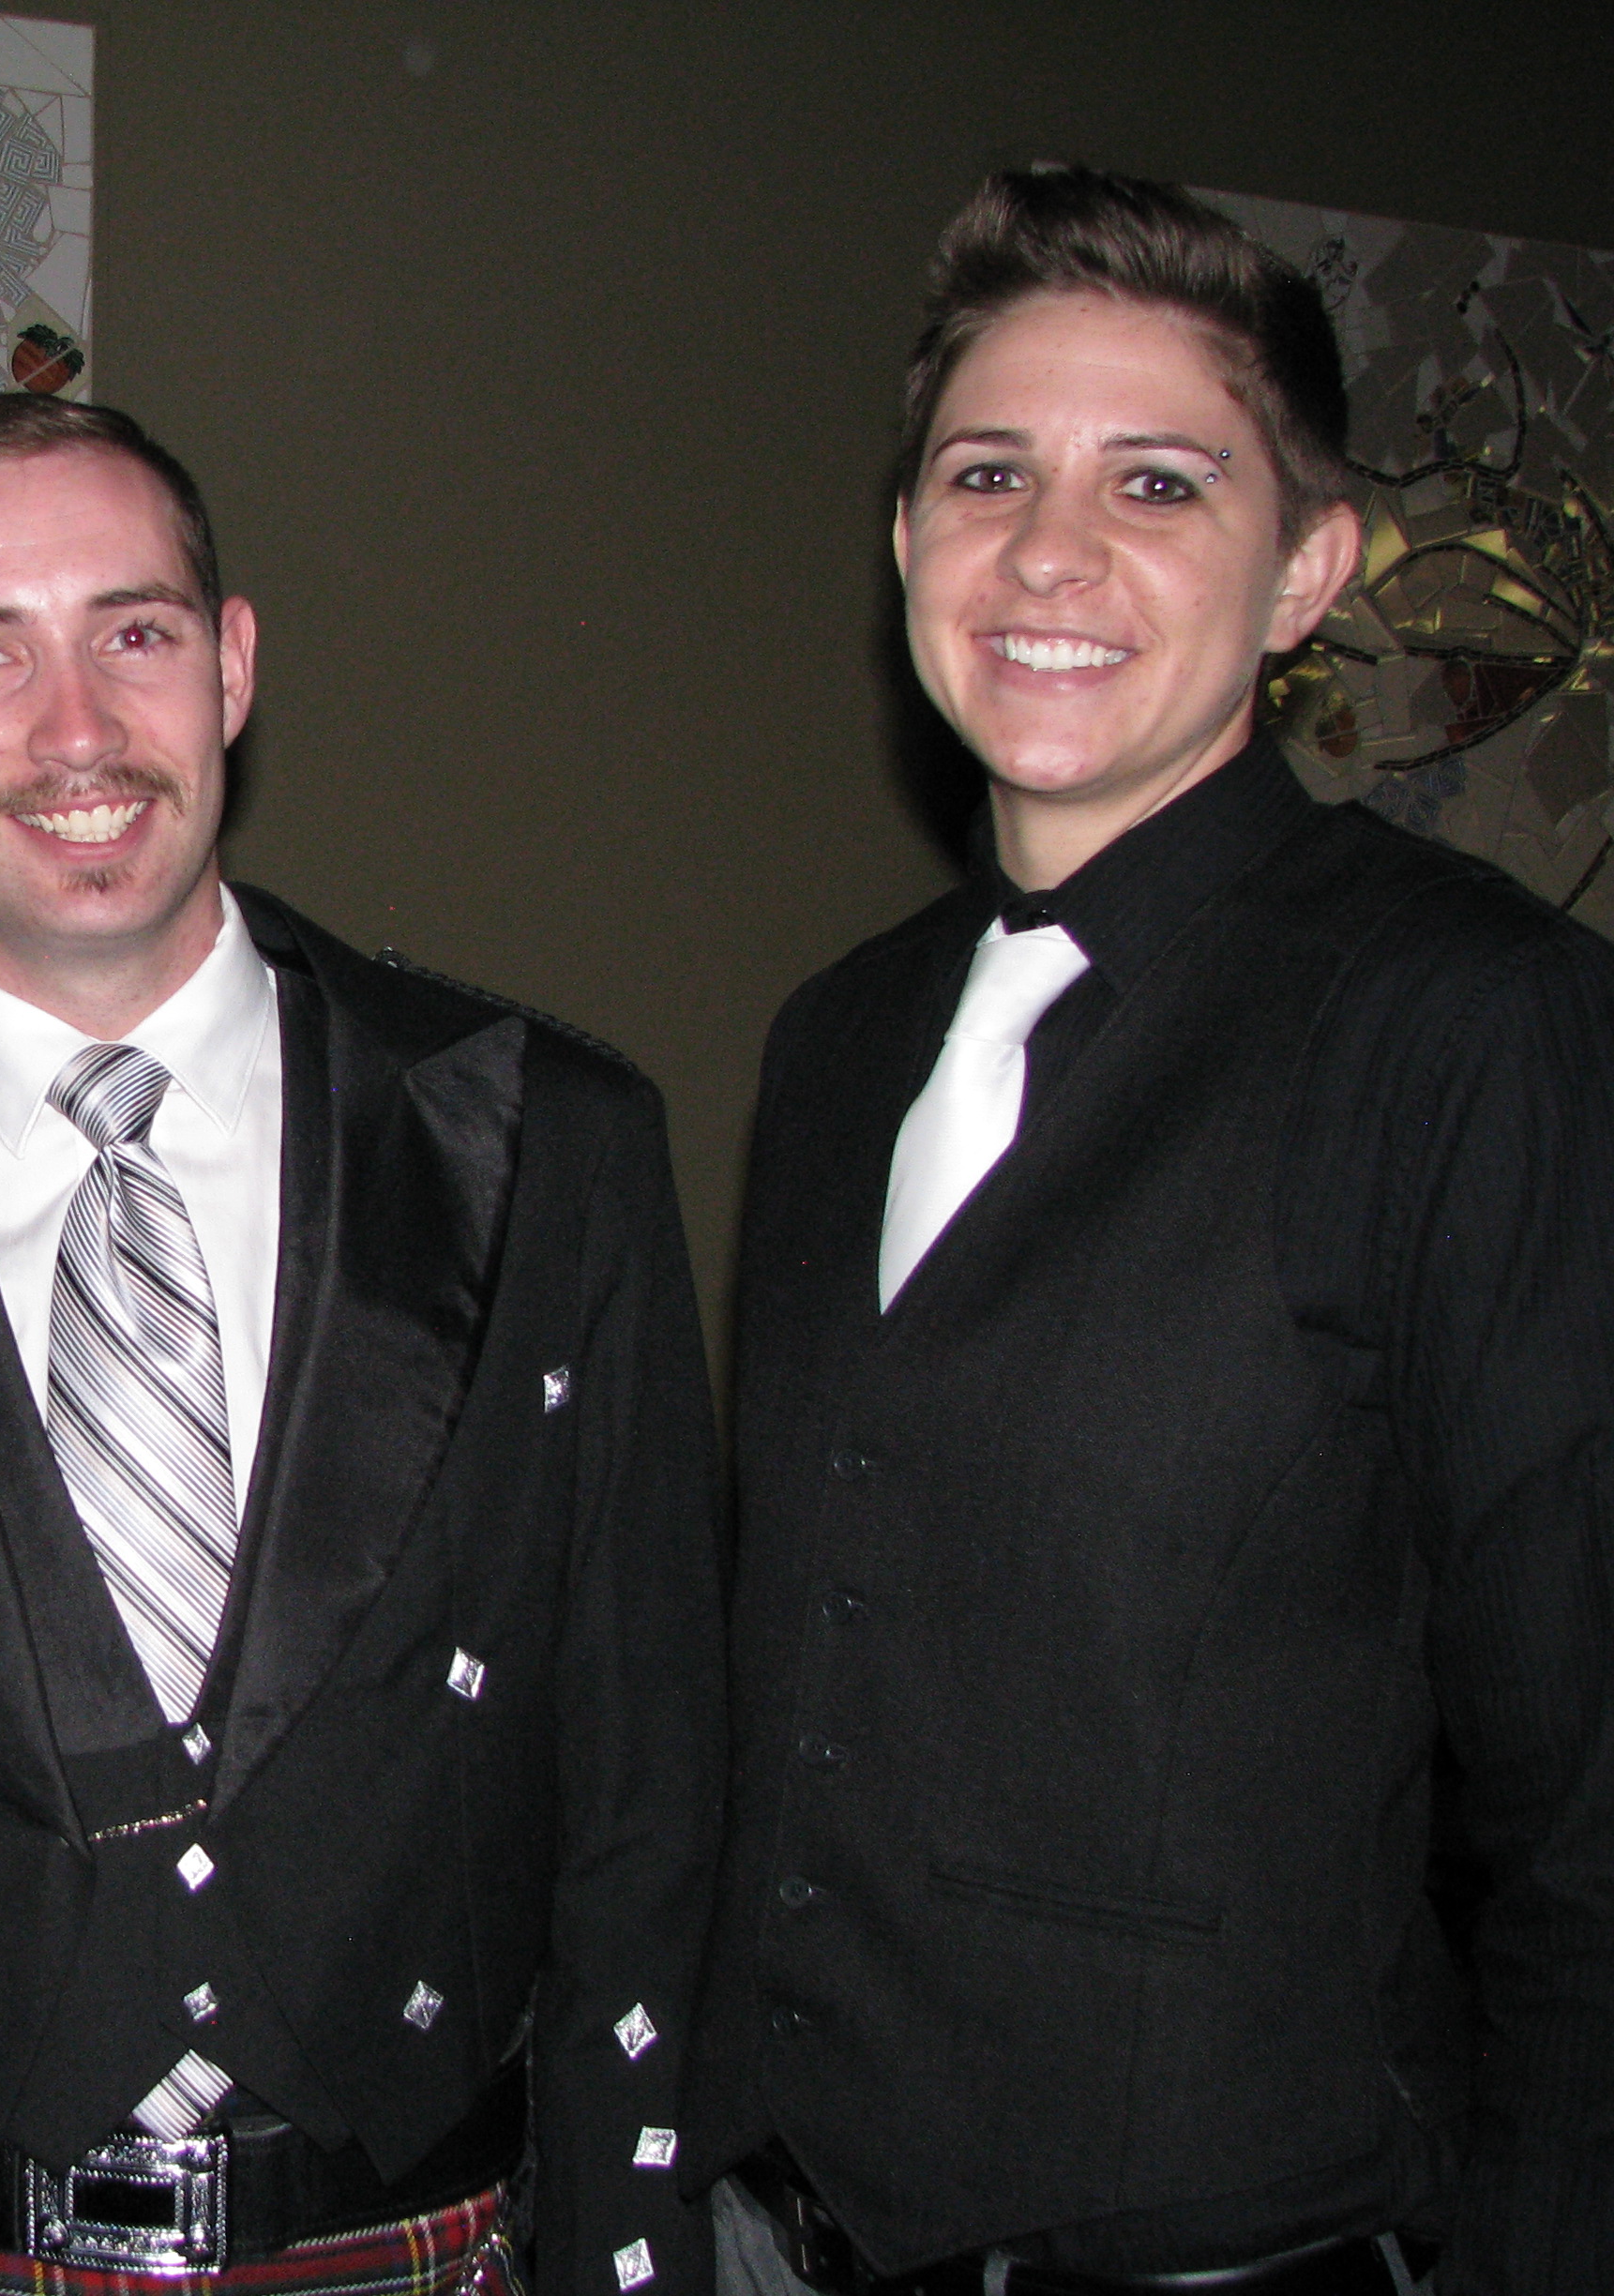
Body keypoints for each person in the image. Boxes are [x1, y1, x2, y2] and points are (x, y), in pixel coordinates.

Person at [0, 394, 728, 2296]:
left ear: (232, 667)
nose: (75, 728)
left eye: (135, 632)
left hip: (408, 2237)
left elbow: (648, 1798)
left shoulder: (551, 1140)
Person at [693, 167, 1614, 2294]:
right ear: (907, 541)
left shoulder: (1472, 1025)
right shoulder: (838, 1040)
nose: (1050, 549)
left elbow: (1590, 1822)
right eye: (988, 472)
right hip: (774, 2233)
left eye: (1161, 483)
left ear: (1307, 573)